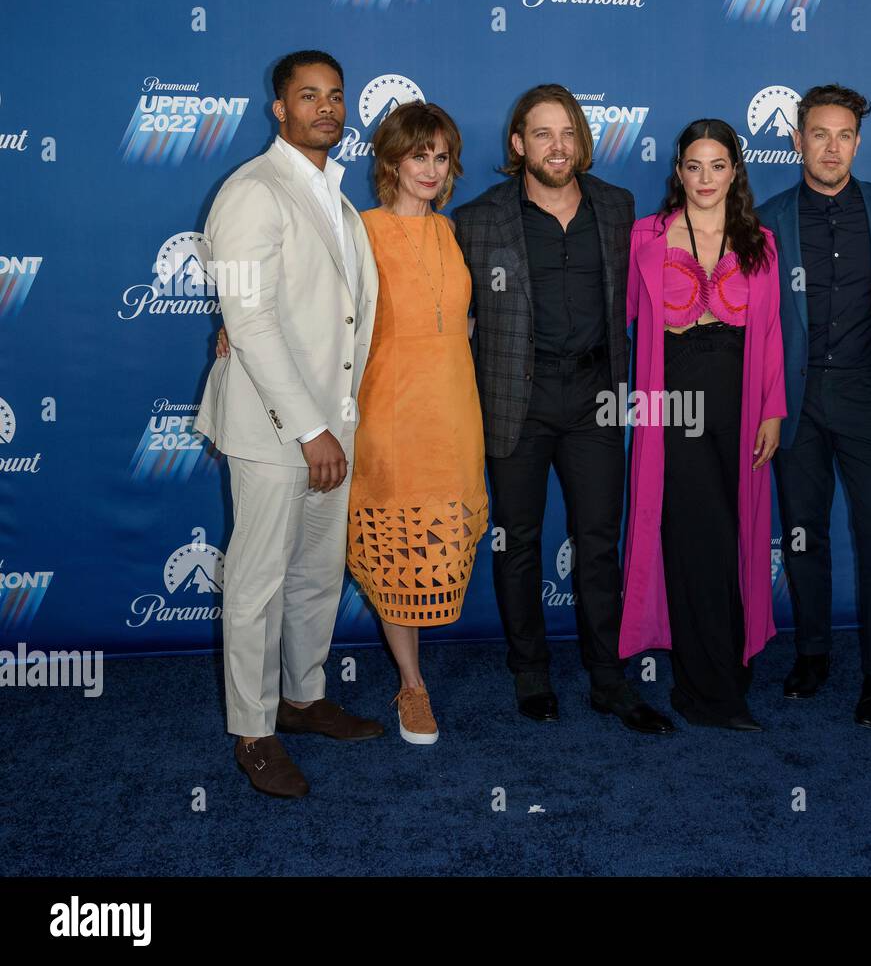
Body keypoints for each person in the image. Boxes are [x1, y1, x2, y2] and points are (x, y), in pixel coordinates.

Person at [219, 101, 489, 746]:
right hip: (379, 418)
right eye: (416, 154)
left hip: (452, 417)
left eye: (440, 155)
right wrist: (234, 324)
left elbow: (457, 323)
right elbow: (290, 288)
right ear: (390, 162)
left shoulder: (455, 233)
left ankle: (306, 697)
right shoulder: (356, 226)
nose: (429, 167)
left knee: (348, 570)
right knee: (395, 560)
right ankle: (411, 687)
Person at [453, 84, 672, 734]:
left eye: (568, 133)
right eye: (542, 134)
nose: (557, 146)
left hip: (595, 398)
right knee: (517, 542)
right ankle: (531, 674)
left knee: (599, 543)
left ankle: (608, 680)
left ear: (581, 142)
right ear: (518, 144)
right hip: (515, 400)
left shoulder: (617, 206)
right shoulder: (478, 219)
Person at [195, 50, 383, 799]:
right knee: (256, 583)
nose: (327, 109)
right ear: (280, 109)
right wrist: (311, 430)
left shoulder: (335, 198)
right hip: (278, 430)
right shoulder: (250, 190)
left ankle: (302, 700)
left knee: (314, 576)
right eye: (309, 97)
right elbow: (249, 320)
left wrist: (333, 424)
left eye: (336, 96)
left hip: (330, 426)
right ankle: (253, 730)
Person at [756, 85, 871, 727]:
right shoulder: (767, 219)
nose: (831, 147)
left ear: (857, 141)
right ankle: (813, 653)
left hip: (869, 398)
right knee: (803, 533)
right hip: (797, 404)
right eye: (818, 134)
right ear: (797, 140)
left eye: (843, 134)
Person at [620, 119, 785, 731]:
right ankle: (704, 689)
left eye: (718, 166)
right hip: (675, 406)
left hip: (740, 405)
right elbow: (633, 327)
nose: (706, 178)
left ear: (735, 171)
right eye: (695, 166)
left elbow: (769, 336)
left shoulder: (761, 242)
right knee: (695, 538)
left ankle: (727, 665)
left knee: (736, 536)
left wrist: (772, 410)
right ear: (678, 171)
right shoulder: (647, 236)